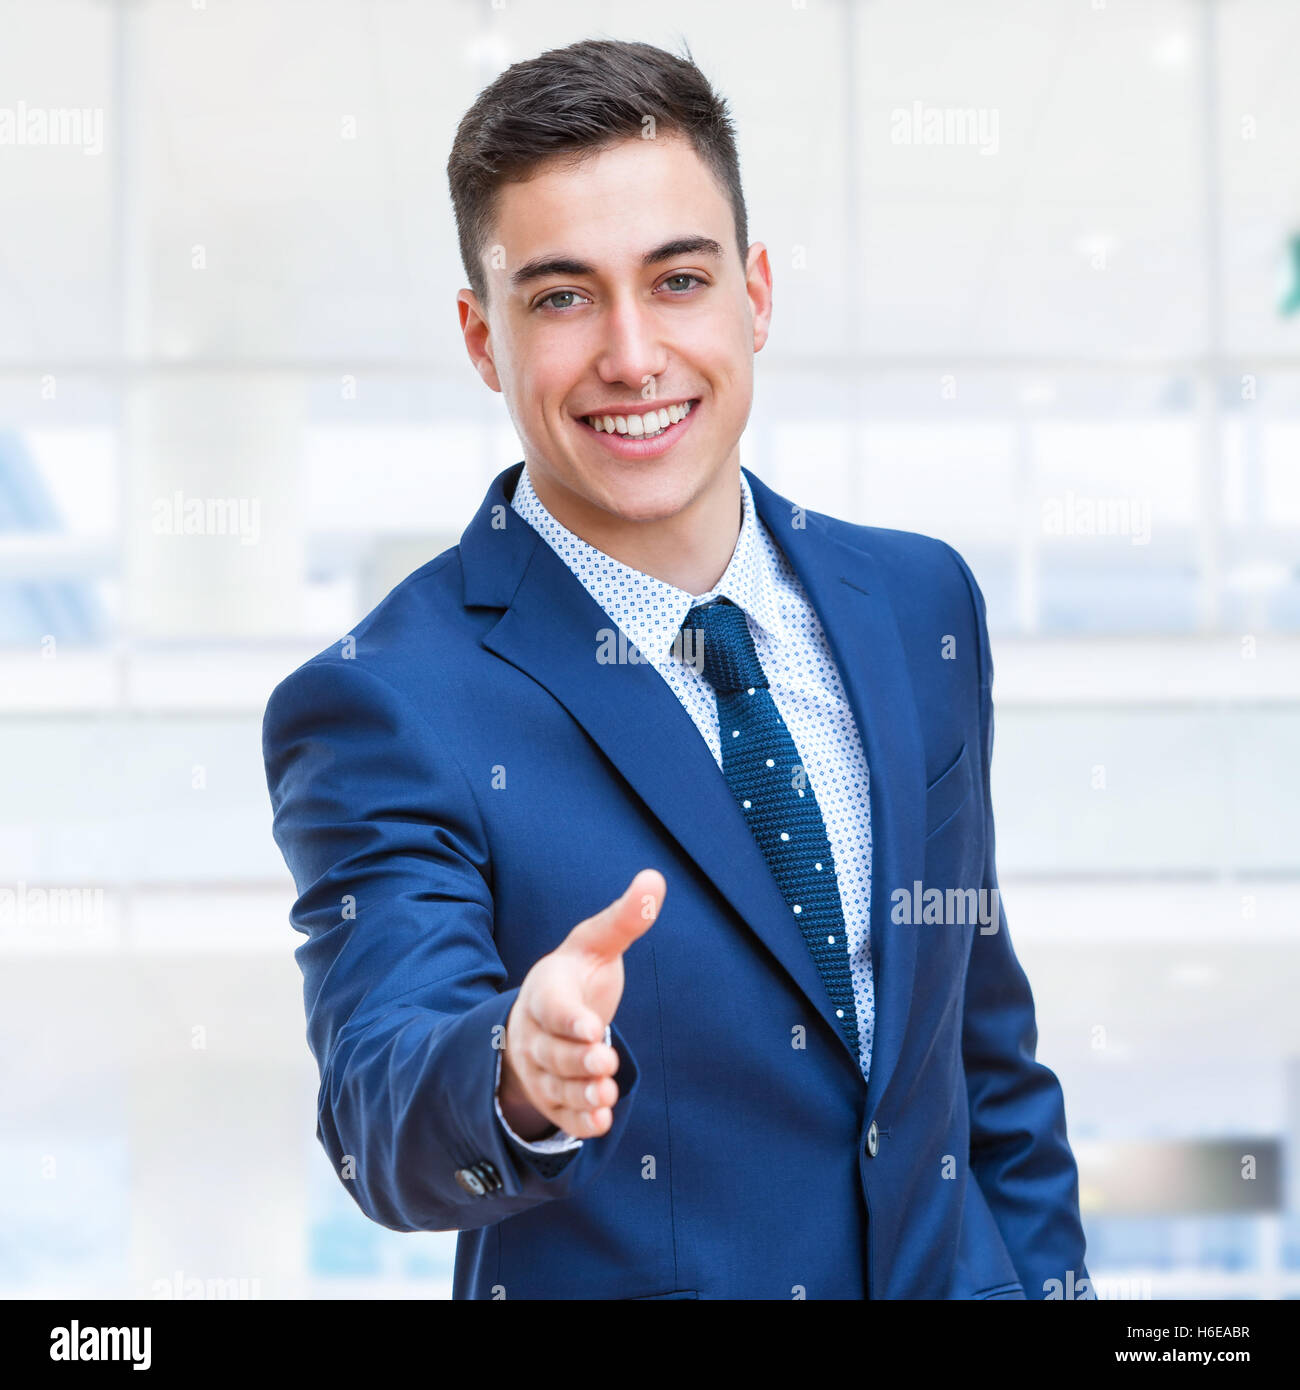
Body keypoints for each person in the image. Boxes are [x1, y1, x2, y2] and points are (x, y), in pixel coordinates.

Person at [262, 37, 1090, 1300]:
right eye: (561, 297)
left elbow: (982, 1056)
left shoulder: (919, 603)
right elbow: (382, 1105)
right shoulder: (388, 699)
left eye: (679, 280)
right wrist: (515, 1072)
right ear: (482, 339)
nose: (633, 354)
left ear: (754, 293)